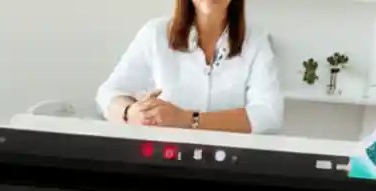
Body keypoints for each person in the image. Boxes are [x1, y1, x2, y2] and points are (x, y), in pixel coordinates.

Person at [96, 0, 284, 135]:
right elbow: (107, 94)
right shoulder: (155, 34)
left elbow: (268, 114)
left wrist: (187, 119)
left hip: (229, 168)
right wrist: (130, 113)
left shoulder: (256, 40)